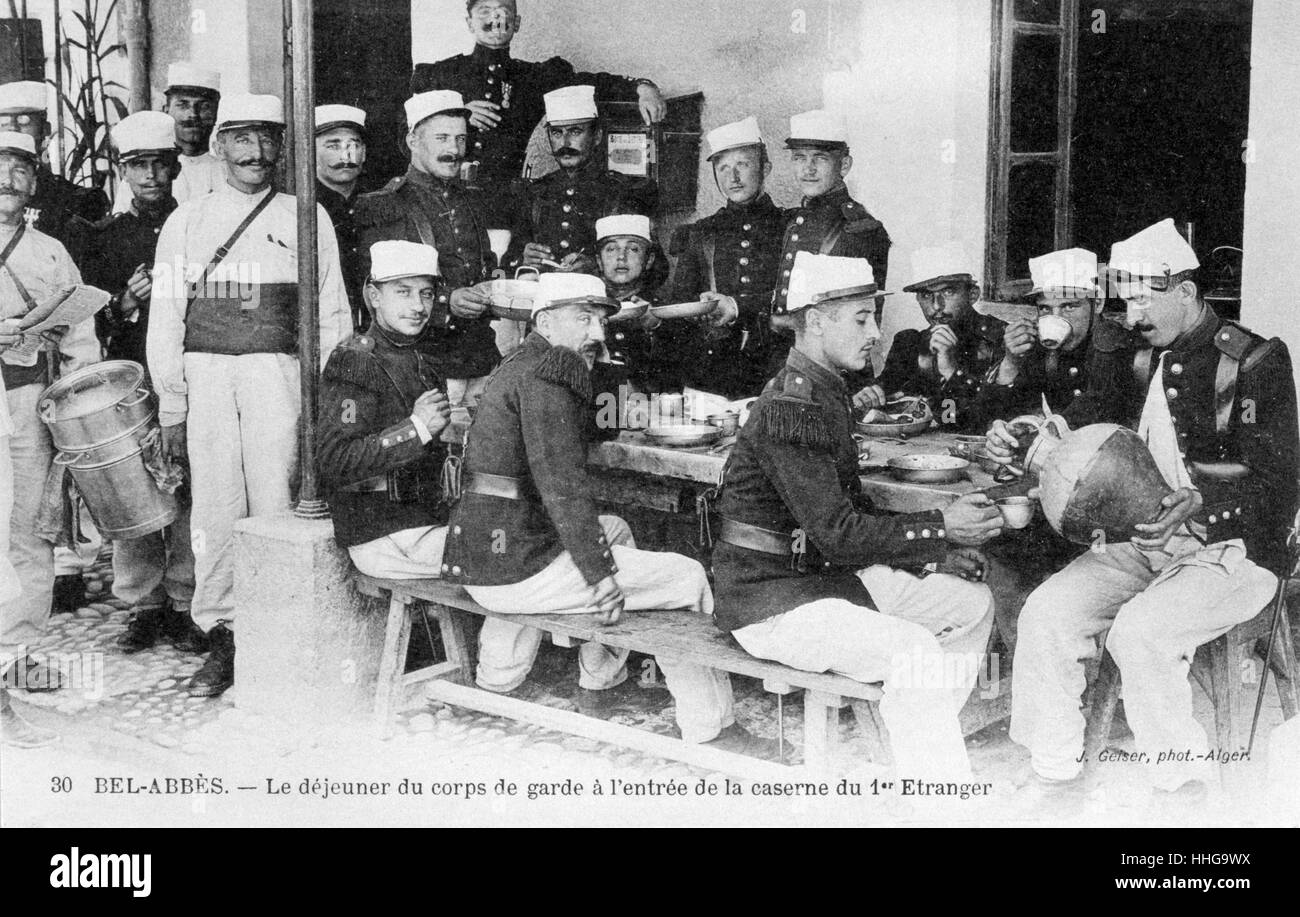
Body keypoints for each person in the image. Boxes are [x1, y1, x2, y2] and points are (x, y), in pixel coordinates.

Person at [991, 219, 1299, 809]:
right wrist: (1040, 431)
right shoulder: (1142, 359)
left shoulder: (1257, 360)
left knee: (1139, 633)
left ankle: (1180, 785)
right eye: (1125, 300)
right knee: (1047, 612)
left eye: (1142, 298)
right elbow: (1087, 420)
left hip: (1235, 551)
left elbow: (1280, 481)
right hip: (1147, 542)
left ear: (1185, 291)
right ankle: (1054, 771)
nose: (1131, 315)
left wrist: (1204, 499)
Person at [442, 272, 769, 755]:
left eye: (599, 319)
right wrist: (599, 575)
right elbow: (564, 489)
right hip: (515, 570)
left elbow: (561, 438)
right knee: (685, 577)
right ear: (546, 321)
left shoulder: (525, 364)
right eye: (583, 318)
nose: (597, 332)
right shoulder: (546, 377)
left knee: (616, 529)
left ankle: (572, 678)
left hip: (482, 550)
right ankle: (713, 729)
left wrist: (615, 412)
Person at [711, 251, 1001, 779]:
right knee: (913, 649)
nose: (874, 332)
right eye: (861, 319)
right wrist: (939, 528)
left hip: (817, 583)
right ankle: (937, 787)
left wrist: (932, 557)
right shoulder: (792, 406)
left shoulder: (826, 390)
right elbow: (839, 535)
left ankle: (914, 743)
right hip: (768, 601)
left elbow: (847, 510)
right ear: (817, 321)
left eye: (873, 317)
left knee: (972, 603)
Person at [148, 94, 351, 698]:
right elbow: (166, 314)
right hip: (207, 374)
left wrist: (322, 393)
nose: (255, 152)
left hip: (276, 372)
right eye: (241, 138)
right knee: (214, 503)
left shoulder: (308, 214)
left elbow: (332, 311)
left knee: (276, 495)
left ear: (282, 147)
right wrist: (173, 403)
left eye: (266, 139)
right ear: (219, 146)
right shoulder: (186, 219)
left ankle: (277, 627)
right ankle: (222, 631)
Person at [79, 111, 202, 655]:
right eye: (138, 166)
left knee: (187, 485)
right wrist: (126, 303)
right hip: (128, 383)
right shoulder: (104, 238)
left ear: (175, 167)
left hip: (184, 374)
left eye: (160, 164)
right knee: (134, 490)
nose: (151, 175)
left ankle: (186, 599)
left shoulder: (200, 223)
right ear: (122, 172)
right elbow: (85, 319)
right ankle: (142, 604)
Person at [0, 131, 102, 693]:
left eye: (19, 169)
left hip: (29, 400)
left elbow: (79, 335)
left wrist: (68, 399)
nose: (7, 180)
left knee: (30, 531)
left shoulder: (49, 251)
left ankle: (16, 649)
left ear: (34, 183)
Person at [411, 0, 665, 220]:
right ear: (469, 23)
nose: (496, 18)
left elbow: (592, 84)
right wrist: (457, 114)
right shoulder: (442, 74)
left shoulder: (533, 77)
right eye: (485, 10)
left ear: (517, 22)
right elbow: (407, 134)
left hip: (505, 205)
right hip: (441, 200)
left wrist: (642, 87)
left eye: (504, 10)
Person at [355, 90, 496, 429]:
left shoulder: (471, 200)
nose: (454, 150)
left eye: (461, 139)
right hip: (424, 364)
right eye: (442, 138)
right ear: (413, 141)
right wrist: (449, 301)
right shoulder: (383, 204)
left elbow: (486, 263)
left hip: (480, 357)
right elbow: (381, 291)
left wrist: (495, 283)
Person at [318, 241, 453, 576]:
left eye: (425, 293)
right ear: (375, 297)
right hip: (381, 533)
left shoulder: (421, 357)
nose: (418, 306)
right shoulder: (355, 362)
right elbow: (336, 459)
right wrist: (416, 427)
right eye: (403, 292)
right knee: (515, 554)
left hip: (421, 524)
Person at [663, 116, 785, 399]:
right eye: (723, 167)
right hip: (715, 368)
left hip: (775, 364)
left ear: (765, 168)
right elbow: (682, 303)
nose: (733, 177)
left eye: (742, 164)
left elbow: (799, 298)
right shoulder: (701, 232)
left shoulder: (788, 227)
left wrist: (739, 306)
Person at [503, 86, 657, 276]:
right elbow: (504, 268)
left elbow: (657, 270)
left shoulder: (624, 192)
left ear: (597, 136)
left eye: (575, 132)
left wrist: (599, 267)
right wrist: (523, 259)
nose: (565, 143)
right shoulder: (533, 193)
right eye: (557, 133)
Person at [978, 247, 1142, 427]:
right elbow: (987, 416)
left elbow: (1096, 409)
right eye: (1045, 308)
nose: (1056, 318)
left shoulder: (1110, 340)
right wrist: (1010, 364)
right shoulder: (1040, 344)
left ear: (1098, 304)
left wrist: (1035, 433)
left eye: (1069, 307)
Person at [872, 244, 1003, 432]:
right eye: (926, 295)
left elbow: (977, 422)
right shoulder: (909, 343)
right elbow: (886, 392)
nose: (936, 306)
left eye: (948, 292)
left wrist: (950, 371)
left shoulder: (999, 339)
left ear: (973, 294)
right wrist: (872, 394)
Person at [0, 81, 108, 248]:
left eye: (24, 121)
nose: (13, 128)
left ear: (46, 130)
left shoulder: (75, 200)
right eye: (3, 123)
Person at [112, 63, 225, 214]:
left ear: (216, 113)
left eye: (204, 107)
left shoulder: (228, 173)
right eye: (183, 105)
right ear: (166, 110)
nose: (193, 114)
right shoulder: (141, 176)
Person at [593, 214, 668, 392]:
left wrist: (656, 326)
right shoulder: (589, 308)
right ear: (599, 261)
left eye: (633, 249)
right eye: (611, 249)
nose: (621, 257)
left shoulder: (662, 311)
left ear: (649, 260)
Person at [314, 104, 368, 329]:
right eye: (333, 145)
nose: (346, 155)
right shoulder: (301, 205)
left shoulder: (378, 202)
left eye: (354, 145)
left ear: (364, 152)